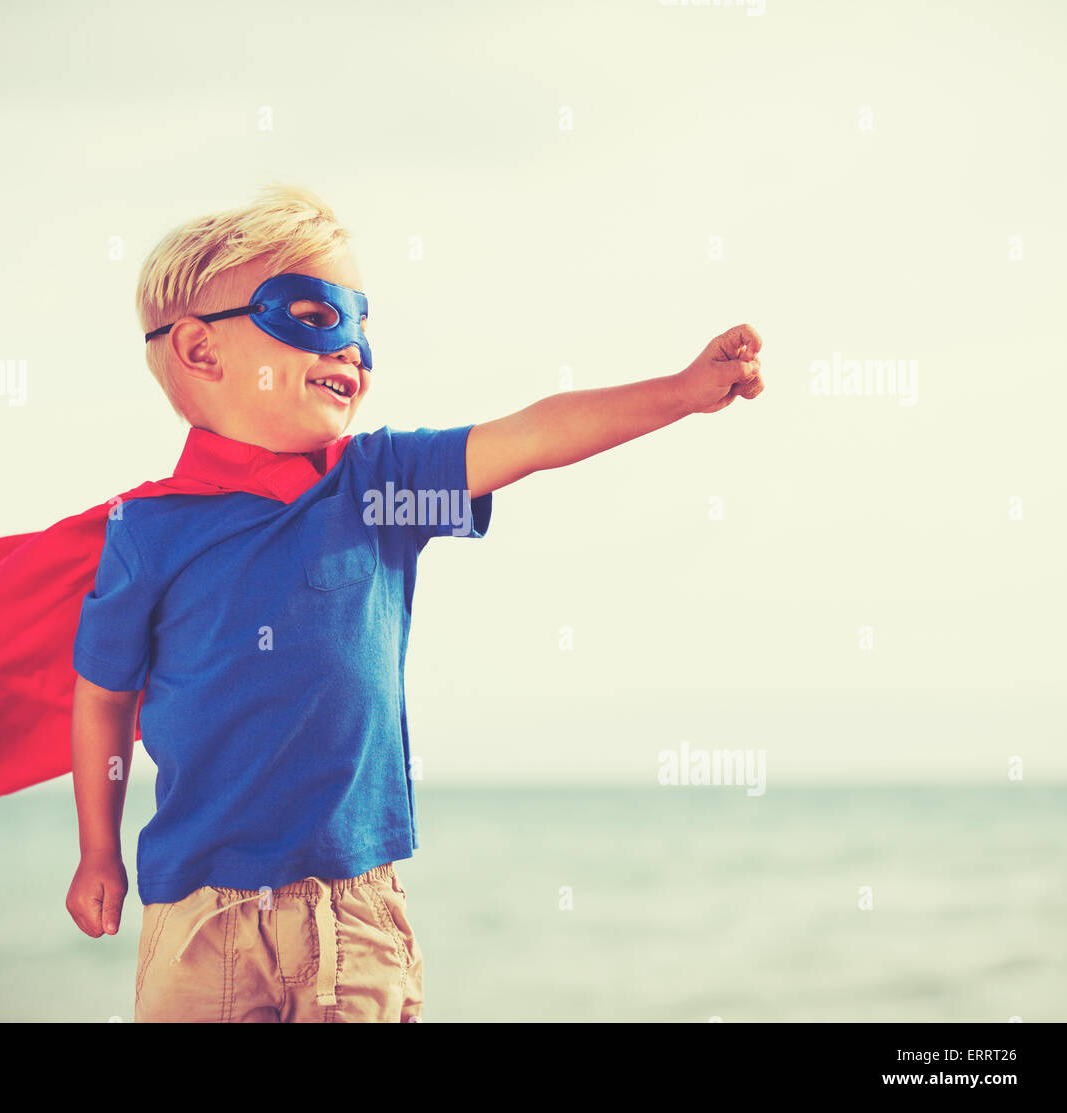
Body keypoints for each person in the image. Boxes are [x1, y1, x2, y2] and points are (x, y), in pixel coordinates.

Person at [62, 183, 765, 1023]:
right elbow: (103, 698)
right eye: (314, 315)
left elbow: (533, 436)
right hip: (200, 921)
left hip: (355, 913)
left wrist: (681, 393)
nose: (353, 347)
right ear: (201, 351)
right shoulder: (148, 529)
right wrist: (97, 849)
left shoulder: (380, 487)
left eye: (361, 323)